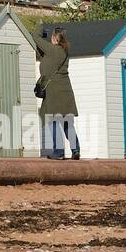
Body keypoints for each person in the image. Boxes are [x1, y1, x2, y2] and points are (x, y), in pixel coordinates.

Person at [35, 26, 80, 159]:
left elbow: (35, 37)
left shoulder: (52, 49)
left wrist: (41, 28)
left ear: (55, 38)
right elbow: (41, 54)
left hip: (53, 92)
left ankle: (59, 152)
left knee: (52, 120)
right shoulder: (64, 51)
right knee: (67, 122)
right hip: (66, 91)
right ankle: (75, 149)